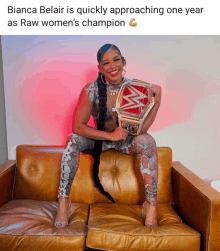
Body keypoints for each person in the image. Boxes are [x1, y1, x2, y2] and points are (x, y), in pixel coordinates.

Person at [54, 44, 162, 228]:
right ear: (100, 68)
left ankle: (150, 204)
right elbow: (77, 127)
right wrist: (110, 136)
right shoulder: (91, 90)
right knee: (73, 140)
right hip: (100, 142)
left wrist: (156, 101)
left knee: (148, 140)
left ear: (123, 61)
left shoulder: (137, 89)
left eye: (116, 60)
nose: (112, 66)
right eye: (106, 63)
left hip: (125, 143)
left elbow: (141, 130)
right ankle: (63, 202)